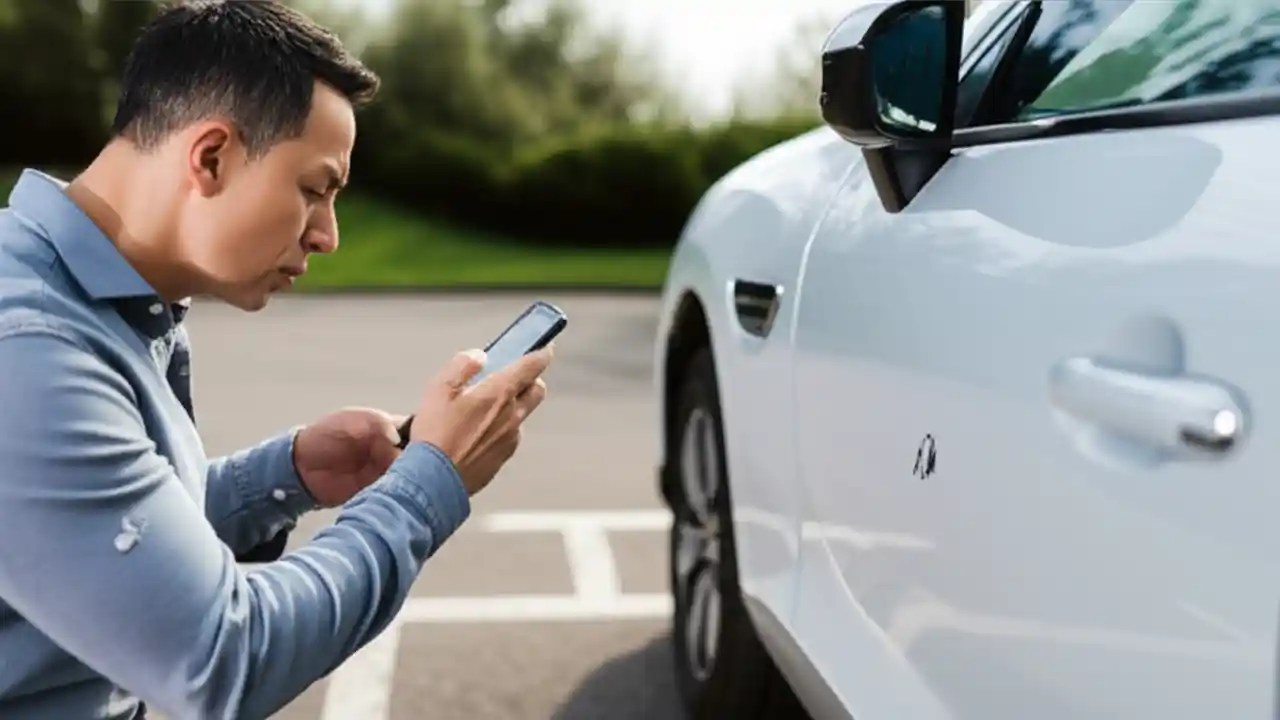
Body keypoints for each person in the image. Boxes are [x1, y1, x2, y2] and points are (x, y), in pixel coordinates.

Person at [0, 1, 553, 718]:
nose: (328, 236)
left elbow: (87, 549)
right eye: (315, 190)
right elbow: (222, 659)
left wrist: (282, 477)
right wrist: (429, 484)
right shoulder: (32, 353)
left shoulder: (91, 298)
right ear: (211, 157)